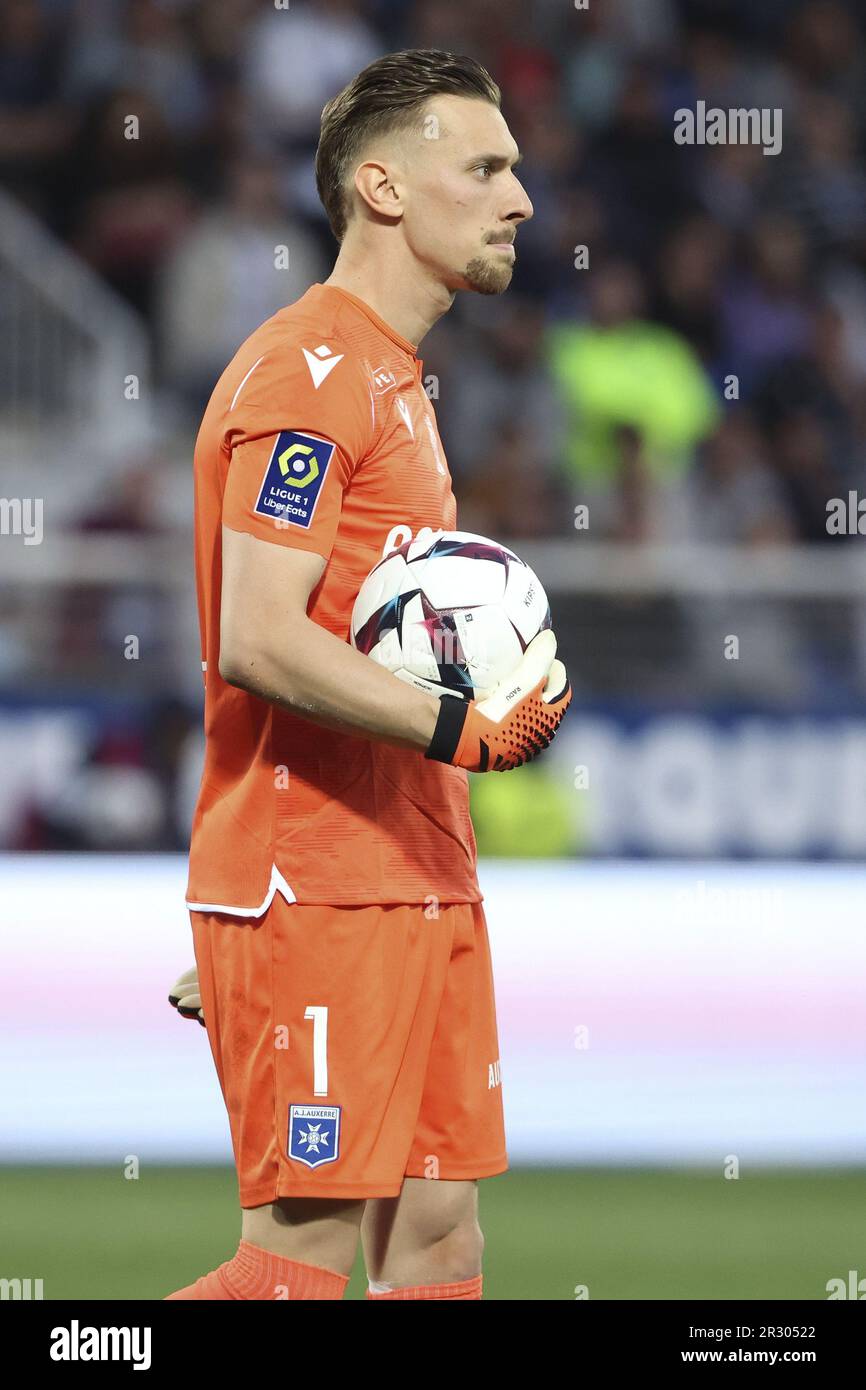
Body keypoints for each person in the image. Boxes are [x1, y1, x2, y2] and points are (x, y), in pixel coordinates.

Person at [165, 47, 571, 1304]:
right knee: (291, 1272)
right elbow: (259, 635)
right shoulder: (309, 372)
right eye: (487, 167)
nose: (520, 201)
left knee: (439, 1246)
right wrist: (467, 727)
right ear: (384, 188)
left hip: (412, 872)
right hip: (323, 881)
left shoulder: (393, 378)